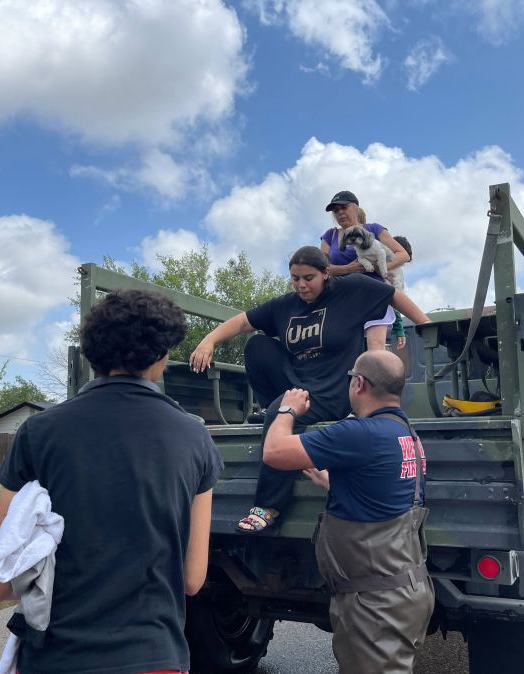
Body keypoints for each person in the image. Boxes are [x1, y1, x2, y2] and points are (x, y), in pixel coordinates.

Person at [0, 289, 223, 674]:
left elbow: (2, 581)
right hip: (153, 654)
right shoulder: (194, 437)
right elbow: (193, 579)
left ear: (92, 353)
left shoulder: (39, 432)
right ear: (161, 356)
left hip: (56, 657)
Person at [189, 245, 429, 534]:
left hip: (334, 389)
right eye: (295, 278)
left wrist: (426, 326)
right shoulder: (286, 306)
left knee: (281, 410)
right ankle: (275, 407)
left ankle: (269, 506)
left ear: (326, 274)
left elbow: (393, 296)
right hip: (297, 381)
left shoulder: (351, 289)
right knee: (257, 345)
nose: (301, 285)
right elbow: (242, 321)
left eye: (309, 278)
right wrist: (209, 341)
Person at [262, 350, 434, 673]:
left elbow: (274, 452)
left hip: (376, 606)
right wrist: (333, 482)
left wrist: (287, 409)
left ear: (359, 384)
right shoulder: (406, 434)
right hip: (398, 592)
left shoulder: (360, 432)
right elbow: (387, 496)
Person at [321, 190, 410, 350]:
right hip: (341, 301)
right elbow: (321, 269)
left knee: (375, 349)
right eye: (336, 210)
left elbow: (403, 255)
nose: (340, 213)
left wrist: (380, 268)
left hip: (374, 298)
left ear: (355, 207)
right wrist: (349, 268)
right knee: (345, 351)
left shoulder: (374, 229)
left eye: (343, 207)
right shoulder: (330, 236)